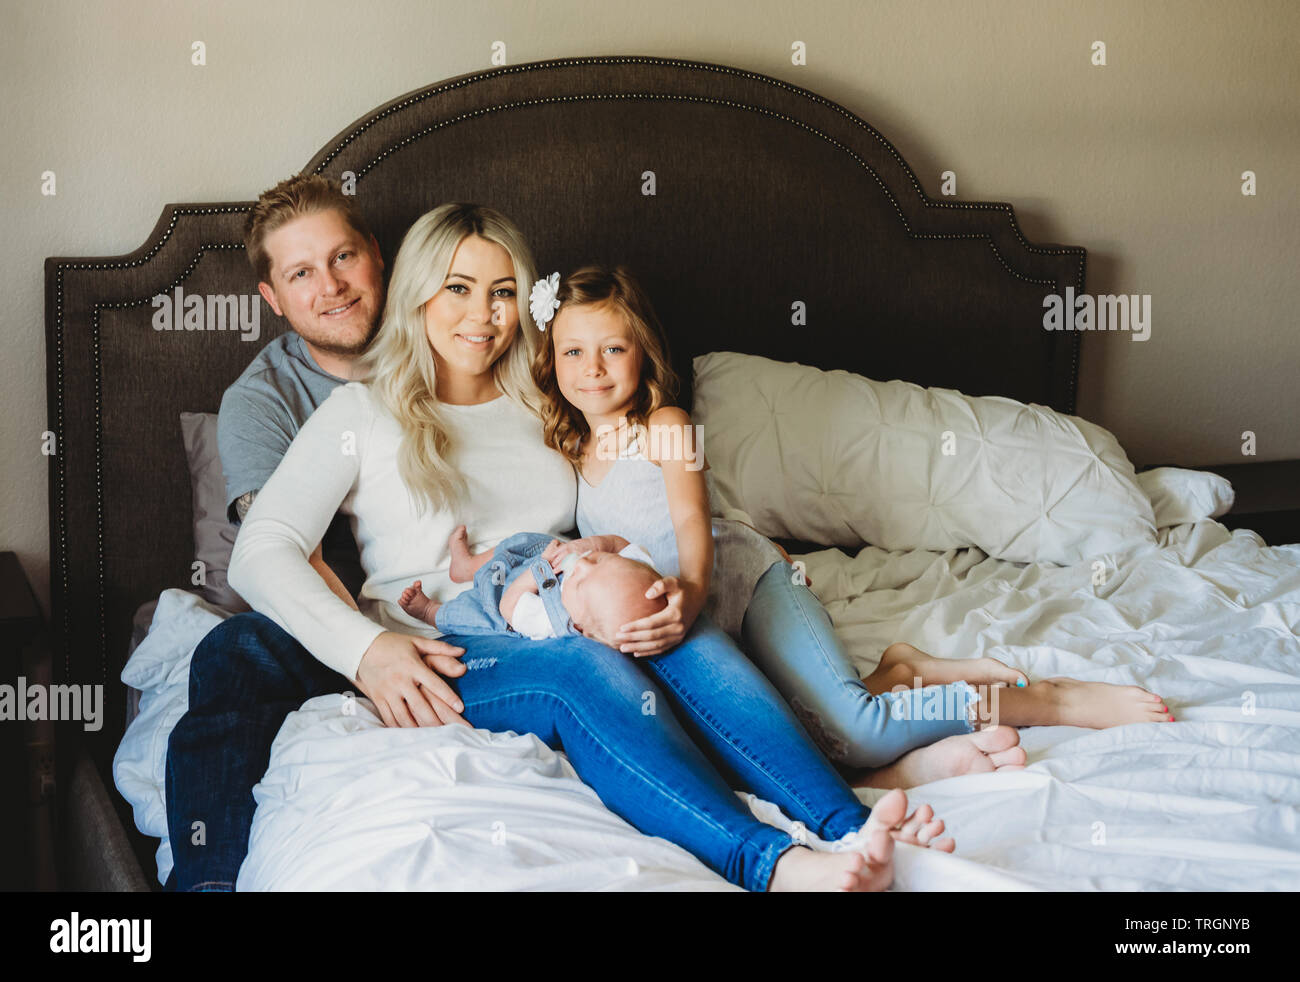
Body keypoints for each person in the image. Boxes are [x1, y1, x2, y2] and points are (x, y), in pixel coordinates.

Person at [225, 200, 958, 892]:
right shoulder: (361, 412)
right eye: (458, 288)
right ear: (416, 290)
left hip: (566, 598)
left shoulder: (551, 399)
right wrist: (366, 650)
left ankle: (853, 827)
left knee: (667, 628)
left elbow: (647, 451)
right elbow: (259, 553)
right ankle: (772, 863)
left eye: (504, 291)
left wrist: (682, 581)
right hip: (451, 651)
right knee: (577, 669)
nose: (483, 315)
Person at [533, 264, 1176, 787]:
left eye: (613, 348)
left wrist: (693, 594)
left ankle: (1051, 701)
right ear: (552, 361)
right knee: (774, 745)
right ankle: (897, 672)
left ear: (643, 352)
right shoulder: (573, 454)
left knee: (858, 730)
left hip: (742, 584)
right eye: (575, 351)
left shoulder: (666, 426)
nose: (593, 367)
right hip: (698, 633)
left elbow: (691, 523)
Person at [164, 174, 437, 891]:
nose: (333, 286)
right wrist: (372, 656)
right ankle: (209, 883)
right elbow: (285, 556)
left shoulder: (455, 333)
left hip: (464, 599)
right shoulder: (261, 402)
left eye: (344, 258)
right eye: (302, 273)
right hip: (340, 616)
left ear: (378, 256)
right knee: (233, 652)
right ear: (272, 297)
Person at [398, 526, 666, 646]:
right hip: (542, 560)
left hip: (501, 600)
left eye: (581, 581)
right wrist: (593, 546)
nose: (582, 565)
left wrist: (538, 570)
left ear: (581, 626)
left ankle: (429, 611)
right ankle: (466, 566)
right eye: (599, 561)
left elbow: (509, 604)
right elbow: (620, 544)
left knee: (466, 615)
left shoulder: (549, 620)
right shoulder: (633, 569)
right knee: (522, 540)